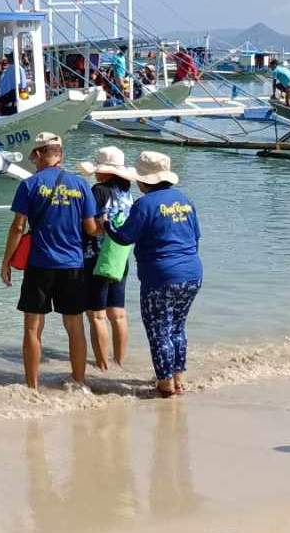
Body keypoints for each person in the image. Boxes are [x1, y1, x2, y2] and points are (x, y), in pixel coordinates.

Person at [2, 132, 100, 391]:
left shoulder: (29, 184)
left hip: (40, 264)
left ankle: (32, 387)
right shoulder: (80, 185)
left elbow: (18, 227)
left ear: (37, 154)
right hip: (73, 265)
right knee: (75, 325)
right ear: (61, 155)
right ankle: (79, 382)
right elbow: (91, 228)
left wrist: (6, 262)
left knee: (33, 328)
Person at [106, 151, 202, 398]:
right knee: (177, 328)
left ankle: (166, 385)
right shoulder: (185, 200)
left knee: (159, 329)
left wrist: (107, 223)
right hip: (192, 273)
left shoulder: (144, 204)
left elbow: (123, 237)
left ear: (144, 181)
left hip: (161, 276)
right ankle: (178, 378)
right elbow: (195, 238)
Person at [78, 146, 136, 370]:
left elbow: (91, 226)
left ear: (106, 172)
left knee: (97, 316)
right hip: (120, 257)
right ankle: (120, 363)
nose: (95, 174)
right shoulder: (127, 192)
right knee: (118, 314)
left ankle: (103, 367)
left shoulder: (98, 191)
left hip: (96, 258)